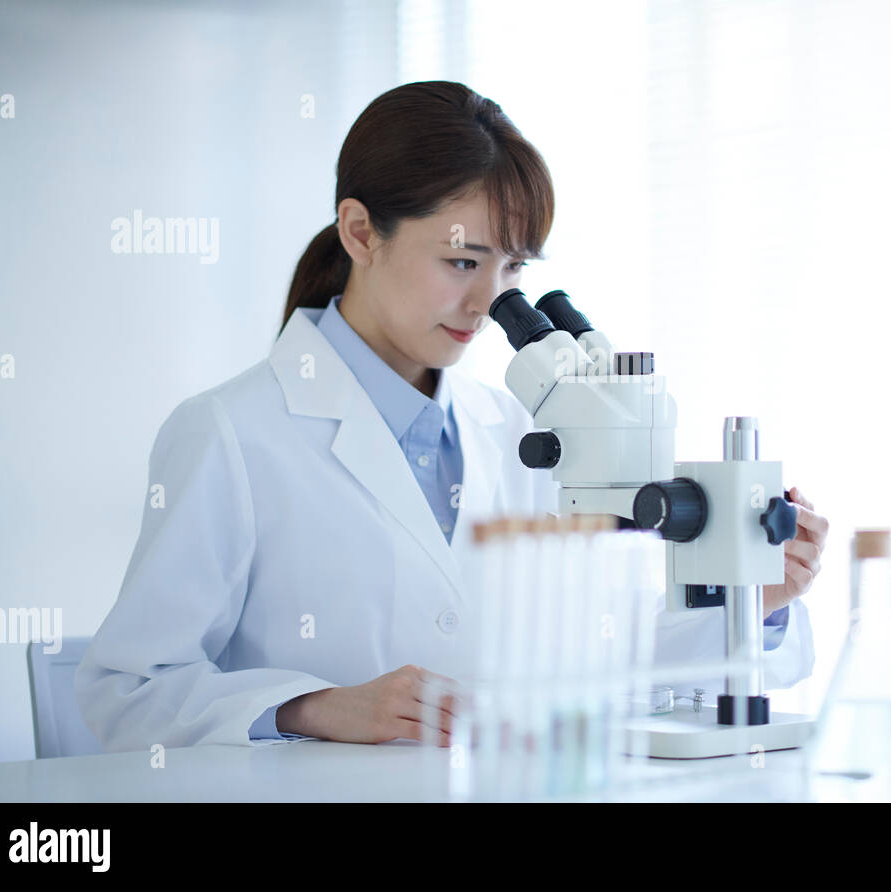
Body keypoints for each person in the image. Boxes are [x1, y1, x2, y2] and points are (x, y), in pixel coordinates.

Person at [75, 81, 828, 752]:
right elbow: (128, 693)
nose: (487, 306)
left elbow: (602, 652)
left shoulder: (516, 431)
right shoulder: (230, 433)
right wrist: (311, 707)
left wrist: (753, 598)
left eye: (512, 271)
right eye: (463, 262)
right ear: (361, 231)